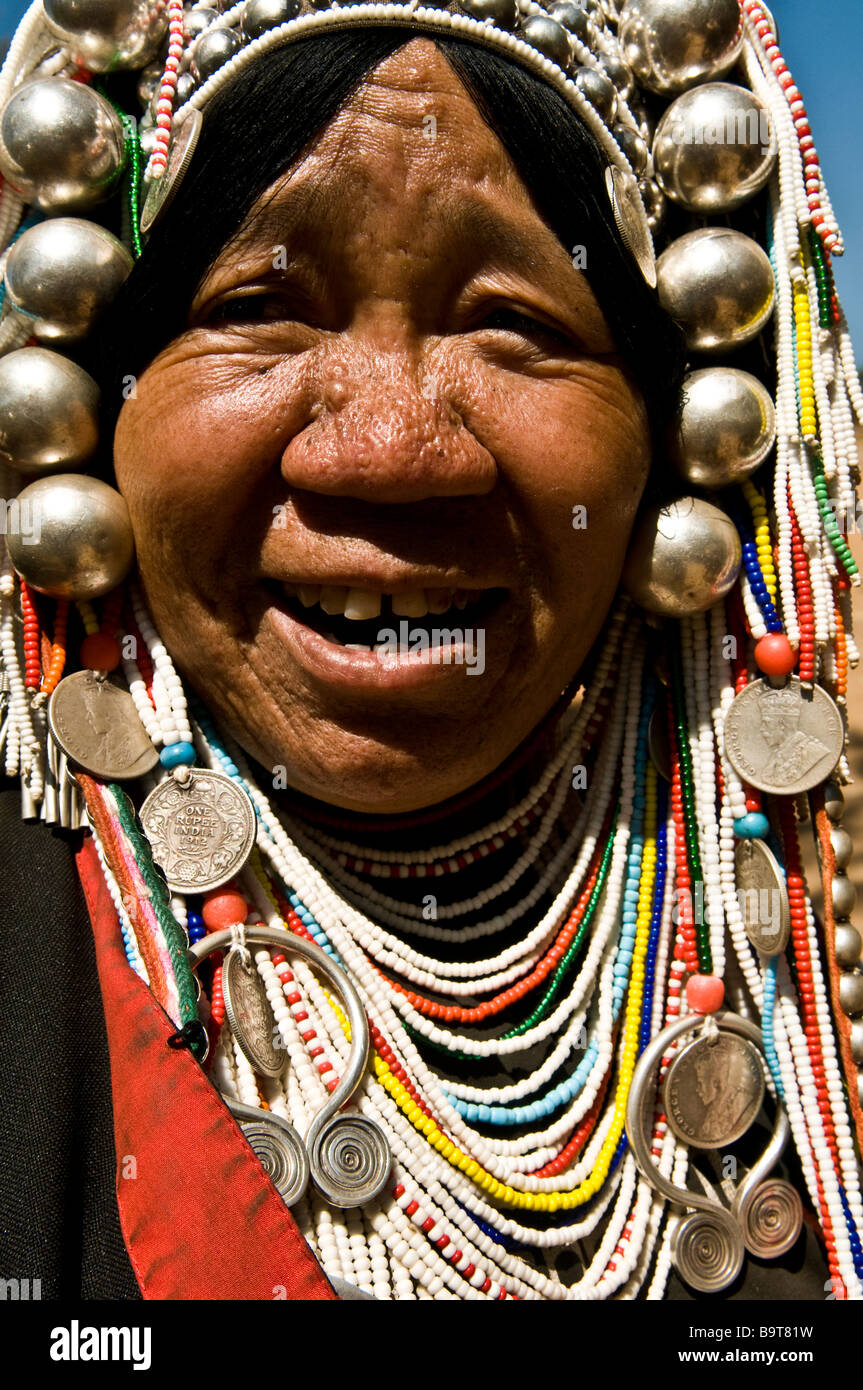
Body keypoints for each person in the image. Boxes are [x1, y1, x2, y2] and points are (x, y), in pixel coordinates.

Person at [0, 0, 860, 1302]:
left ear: (675, 430)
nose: (392, 447)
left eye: (515, 322)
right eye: (265, 305)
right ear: (97, 391)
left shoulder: (817, 943)